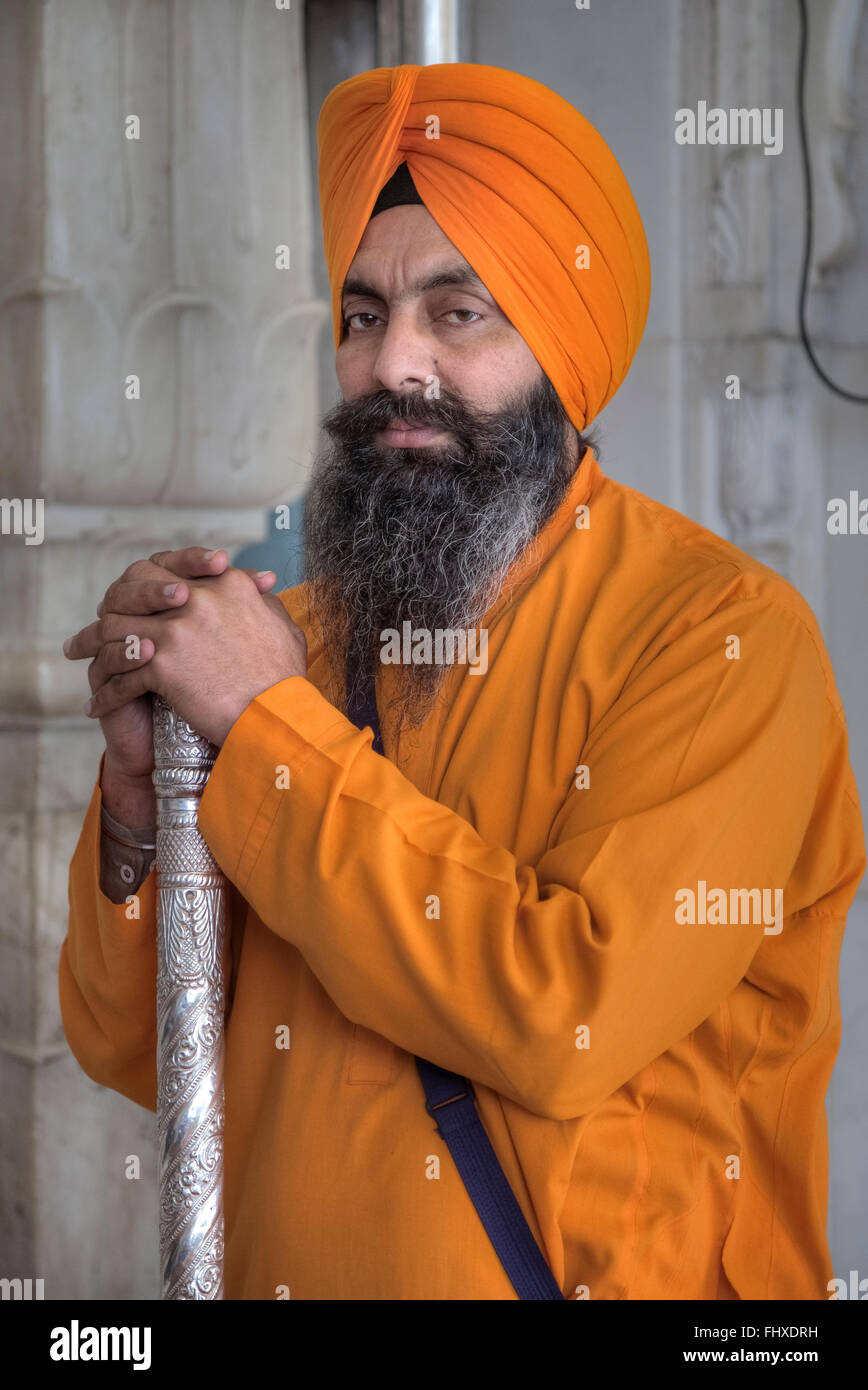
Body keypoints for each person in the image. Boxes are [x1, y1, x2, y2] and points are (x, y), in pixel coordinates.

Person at [59, 62, 865, 1300]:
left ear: (562, 344)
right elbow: (136, 1050)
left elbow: (564, 1015)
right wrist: (138, 797)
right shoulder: (304, 639)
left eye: (459, 311)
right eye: (363, 315)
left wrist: (266, 730)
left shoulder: (722, 638)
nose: (394, 366)